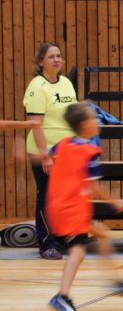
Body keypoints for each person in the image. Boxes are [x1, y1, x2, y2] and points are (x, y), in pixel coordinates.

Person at [46, 103, 123, 311]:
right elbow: (95, 186)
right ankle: (62, 295)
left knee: (102, 233)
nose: (99, 121)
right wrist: (114, 201)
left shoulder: (63, 144)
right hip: (72, 208)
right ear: (85, 124)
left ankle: (116, 280)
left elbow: (48, 157)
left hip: (58, 205)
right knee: (78, 249)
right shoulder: (90, 151)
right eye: (95, 118)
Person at [24, 42, 78, 260]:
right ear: (40, 62)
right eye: (51, 57)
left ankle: (62, 236)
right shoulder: (37, 87)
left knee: (64, 196)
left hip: (67, 150)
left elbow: (72, 115)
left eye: (59, 56)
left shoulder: (66, 82)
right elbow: (35, 124)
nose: (57, 60)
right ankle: (47, 243)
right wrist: (45, 155)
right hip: (44, 150)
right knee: (46, 196)